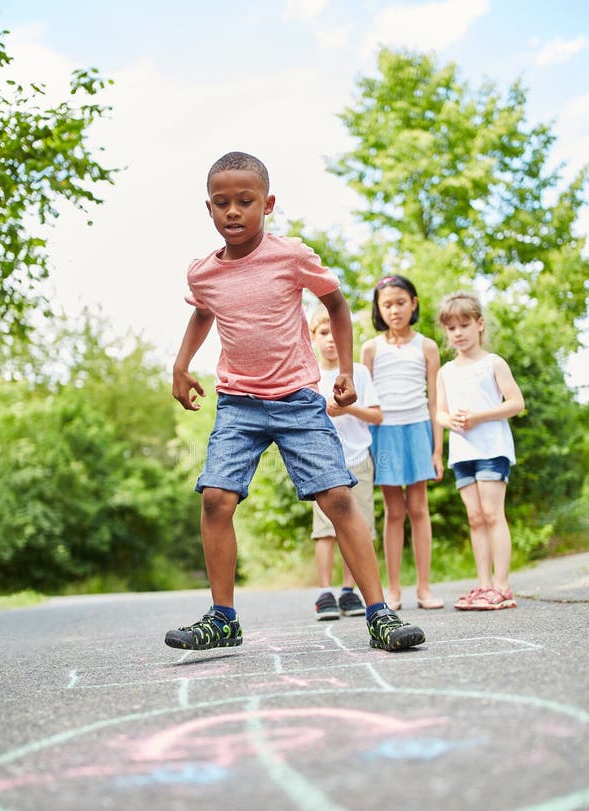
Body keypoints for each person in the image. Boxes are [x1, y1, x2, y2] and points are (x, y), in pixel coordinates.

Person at [165, 151, 426, 653]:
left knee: (337, 497)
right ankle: (222, 617)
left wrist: (345, 372)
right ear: (209, 209)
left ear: (269, 204)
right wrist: (181, 364)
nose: (234, 212)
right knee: (216, 498)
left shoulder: (290, 255)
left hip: (297, 399)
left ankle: (379, 613)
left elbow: (336, 303)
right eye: (223, 204)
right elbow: (203, 314)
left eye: (246, 201)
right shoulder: (204, 273)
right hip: (239, 401)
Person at [436, 291, 525, 611]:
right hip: (462, 453)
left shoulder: (493, 363)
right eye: (451, 328)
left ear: (479, 324)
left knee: (492, 514)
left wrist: (478, 416)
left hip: (493, 447)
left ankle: (502, 586)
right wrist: (452, 421)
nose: (458, 333)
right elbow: (439, 413)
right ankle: (484, 584)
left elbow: (516, 403)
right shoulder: (445, 371)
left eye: (464, 325)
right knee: (475, 518)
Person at [361, 275, 444, 611]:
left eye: (400, 302)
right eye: (387, 304)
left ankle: (424, 589)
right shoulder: (370, 348)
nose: (394, 310)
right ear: (379, 309)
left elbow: (436, 402)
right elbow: (365, 400)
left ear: (414, 303)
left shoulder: (427, 346)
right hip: (385, 434)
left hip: (418, 430)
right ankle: (392, 590)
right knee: (394, 511)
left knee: (419, 509)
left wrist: (438, 450)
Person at [309, 305, 382, 621]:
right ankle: (324, 592)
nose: (330, 340)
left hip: (358, 459)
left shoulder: (358, 373)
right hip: (322, 460)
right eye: (323, 334)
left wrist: (349, 409)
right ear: (312, 338)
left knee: (359, 527)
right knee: (325, 530)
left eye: (334, 333)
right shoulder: (307, 374)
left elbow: (377, 415)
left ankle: (349, 591)